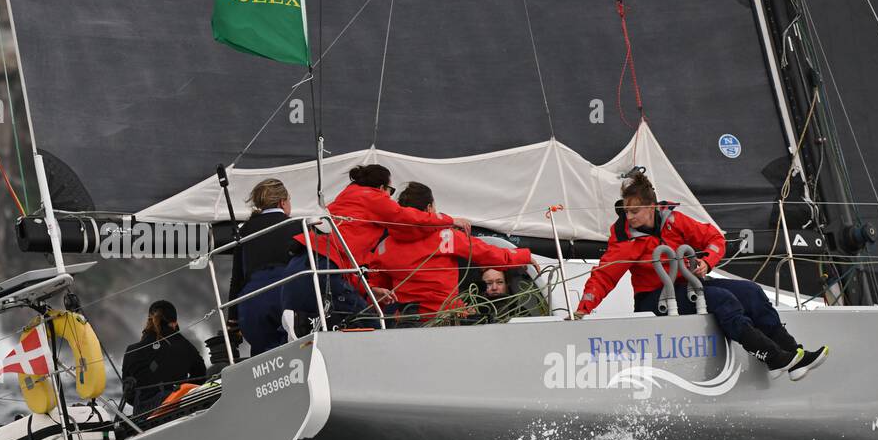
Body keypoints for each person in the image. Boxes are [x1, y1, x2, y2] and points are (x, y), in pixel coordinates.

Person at [574, 174, 829, 380]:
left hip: (688, 285)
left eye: (634, 212)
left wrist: (707, 263)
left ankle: (795, 356)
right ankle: (773, 358)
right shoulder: (623, 238)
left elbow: (714, 239)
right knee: (722, 299)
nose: (628, 218)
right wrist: (583, 308)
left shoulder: (673, 220)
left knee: (751, 292)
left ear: (651, 206)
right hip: (653, 299)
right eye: (626, 212)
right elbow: (603, 276)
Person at [284, 165, 471, 330]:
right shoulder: (374, 198)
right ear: (382, 187)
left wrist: (368, 291)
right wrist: (450, 220)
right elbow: (407, 218)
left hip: (307, 257)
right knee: (370, 323)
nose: (390, 197)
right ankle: (302, 323)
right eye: (390, 190)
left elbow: (346, 257)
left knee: (342, 312)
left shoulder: (344, 199)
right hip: (327, 263)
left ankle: (303, 322)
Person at [362, 181, 537, 324]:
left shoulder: (384, 246)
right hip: (443, 319)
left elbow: (377, 285)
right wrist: (524, 256)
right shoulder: (446, 237)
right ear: (430, 208)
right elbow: (488, 254)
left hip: (405, 320)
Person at [229, 178, 301, 355]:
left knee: (263, 359)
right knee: (294, 353)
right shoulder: (297, 226)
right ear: (282, 202)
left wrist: (232, 320)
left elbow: (237, 278)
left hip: (252, 305)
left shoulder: (244, 230)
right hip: (287, 298)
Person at [121, 300, 206, 413]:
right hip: (174, 409)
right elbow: (200, 376)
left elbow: (128, 393)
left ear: (149, 320)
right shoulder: (184, 345)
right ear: (174, 323)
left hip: (141, 416)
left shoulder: (131, 350)